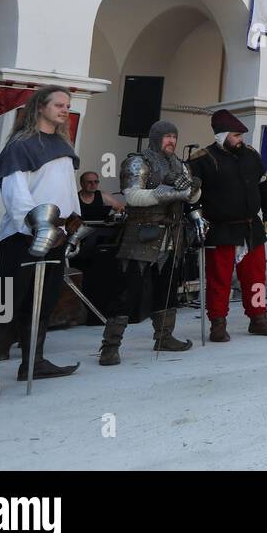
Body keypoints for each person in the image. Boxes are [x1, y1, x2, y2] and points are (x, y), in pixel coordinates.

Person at [0, 86, 81, 398]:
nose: (63, 109)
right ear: (40, 107)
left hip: (57, 237)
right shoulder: (21, 146)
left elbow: (67, 192)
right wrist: (37, 228)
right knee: (5, 303)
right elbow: (16, 196)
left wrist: (70, 228)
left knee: (42, 302)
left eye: (67, 105)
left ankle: (34, 361)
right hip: (22, 237)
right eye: (58, 104)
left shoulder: (63, 146)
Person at [99, 120, 201, 365]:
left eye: (174, 137)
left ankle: (164, 337)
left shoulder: (180, 165)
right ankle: (110, 346)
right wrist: (172, 192)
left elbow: (190, 198)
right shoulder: (138, 162)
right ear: (156, 138)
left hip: (173, 234)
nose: (172, 141)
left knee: (167, 289)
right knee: (128, 292)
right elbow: (133, 196)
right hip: (142, 232)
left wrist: (196, 190)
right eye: (167, 136)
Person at [185, 110, 267, 342]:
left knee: (256, 277)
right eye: (236, 135)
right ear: (222, 135)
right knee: (219, 280)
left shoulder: (251, 155)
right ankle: (218, 323)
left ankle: (258, 318)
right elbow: (191, 197)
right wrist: (196, 220)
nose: (241, 139)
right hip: (220, 229)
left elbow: (266, 186)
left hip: (251, 228)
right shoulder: (201, 159)